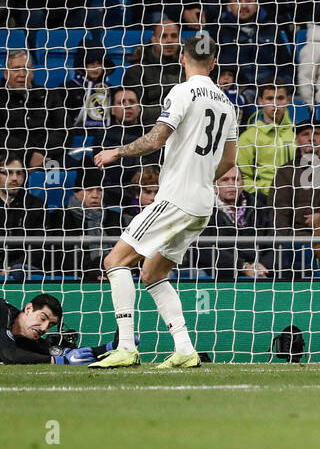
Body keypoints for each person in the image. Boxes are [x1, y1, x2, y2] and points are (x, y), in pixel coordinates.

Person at [89, 33, 238, 370]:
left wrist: (117, 150)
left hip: (176, 198)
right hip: (202, 203)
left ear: (182, 59)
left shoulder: (182, 91)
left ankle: (126, 346)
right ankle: (185, 349)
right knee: (153, 273)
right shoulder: (227, 103)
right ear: (214, 63)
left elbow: (157, 138)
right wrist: (200, 177)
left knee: (115, 261)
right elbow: (229, 160)